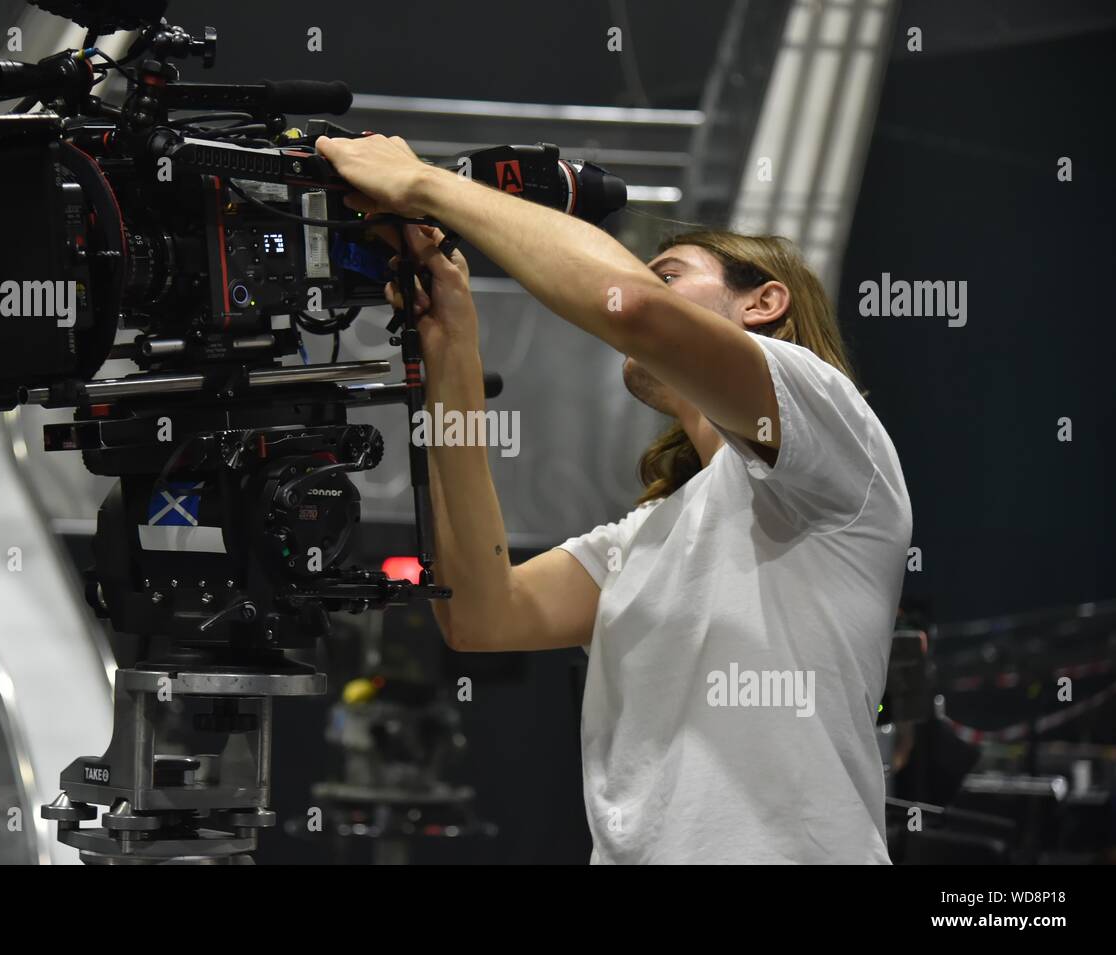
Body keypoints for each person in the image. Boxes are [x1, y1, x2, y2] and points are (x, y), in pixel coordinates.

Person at [315, 134, 913, 864]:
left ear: (764, 302)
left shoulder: (830, 428)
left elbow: (630, 308)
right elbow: (479, 612)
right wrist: (453, 341)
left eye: (670, 272)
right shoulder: (647, 535)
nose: (647, 285)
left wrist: (422, 184)